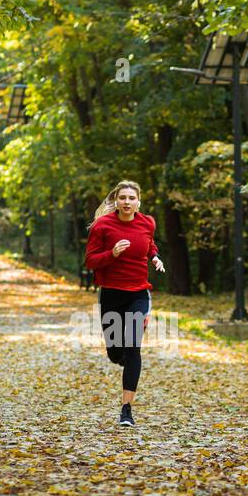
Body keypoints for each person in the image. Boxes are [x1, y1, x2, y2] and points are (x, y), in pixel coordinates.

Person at [83, 180, 164, 427]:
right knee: (114, 352)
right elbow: (90, 261)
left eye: (131, 198)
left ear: (138, 201)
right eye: (123, 198)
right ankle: (120, 354)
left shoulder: (147, 222)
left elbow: (149, 244)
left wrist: (155, 257)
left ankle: (126, 409)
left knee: (133, 348)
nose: (127, 202)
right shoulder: (103, 226)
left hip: (138, 293)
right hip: (110, 294)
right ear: (116, 201)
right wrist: (113, 254)